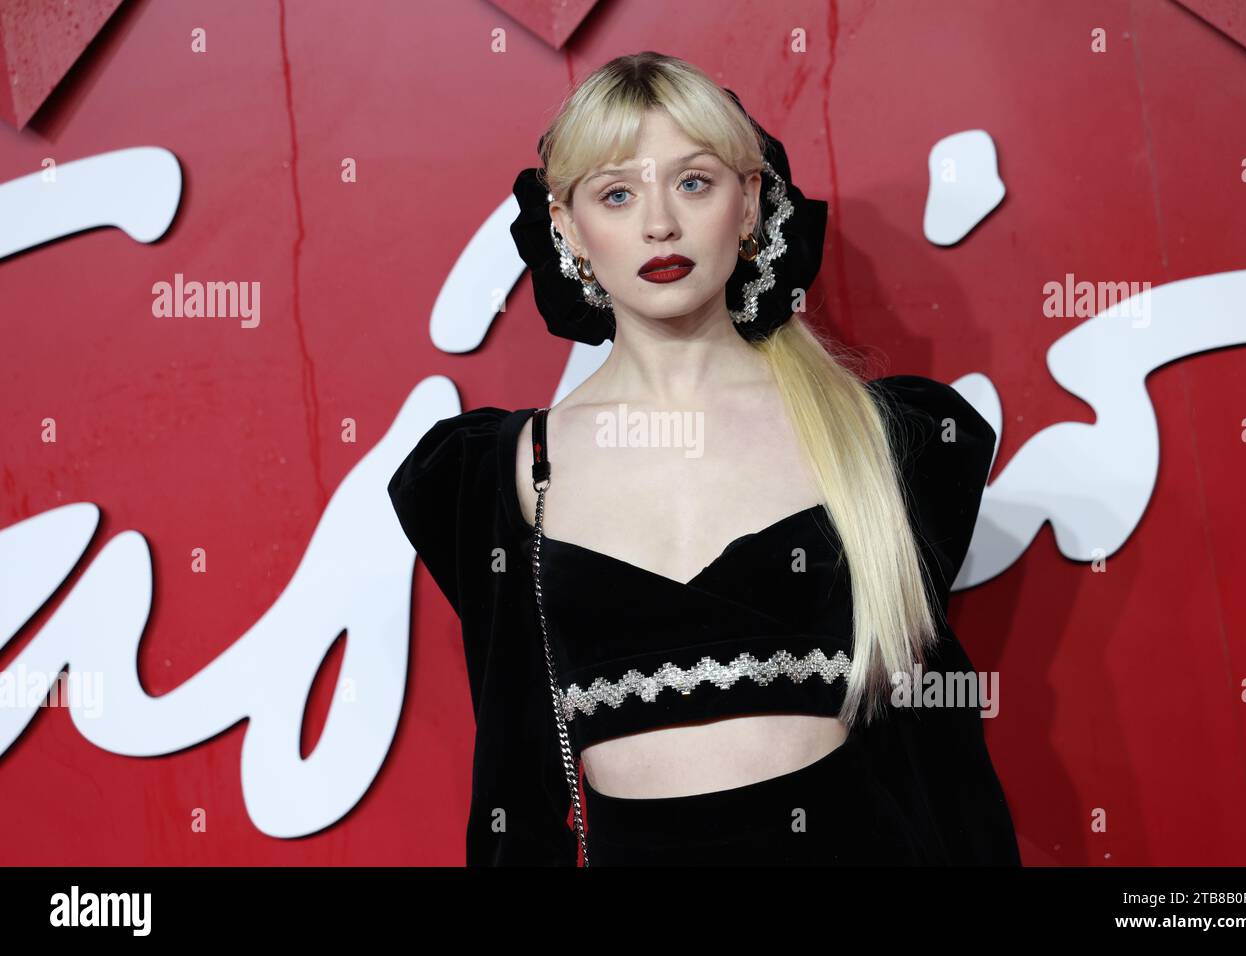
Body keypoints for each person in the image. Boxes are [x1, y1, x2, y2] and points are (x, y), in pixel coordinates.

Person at [388, 51, 1020, 866]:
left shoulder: (883, 435)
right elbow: (516, 764)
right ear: (569, 227)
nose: (660, 224)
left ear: (750, 200)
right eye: (617, 193)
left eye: (693, 183)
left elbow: (942, 754)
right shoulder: (500, 472)